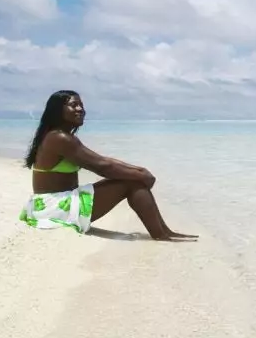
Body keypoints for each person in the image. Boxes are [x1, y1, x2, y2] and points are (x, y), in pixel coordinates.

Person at [18, 90, 195, 241]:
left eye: (81, 105)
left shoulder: (59, 136)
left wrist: (138, 170)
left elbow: (104, 160)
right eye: (74, 105)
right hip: (55, 208)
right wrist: (140, 175)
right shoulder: (60, 138)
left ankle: (163, 232)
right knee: (132, 182)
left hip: (53, 204)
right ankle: (161, 235)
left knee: (134, 178)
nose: (80, 109)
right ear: (58, 110)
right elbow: (102, 167)